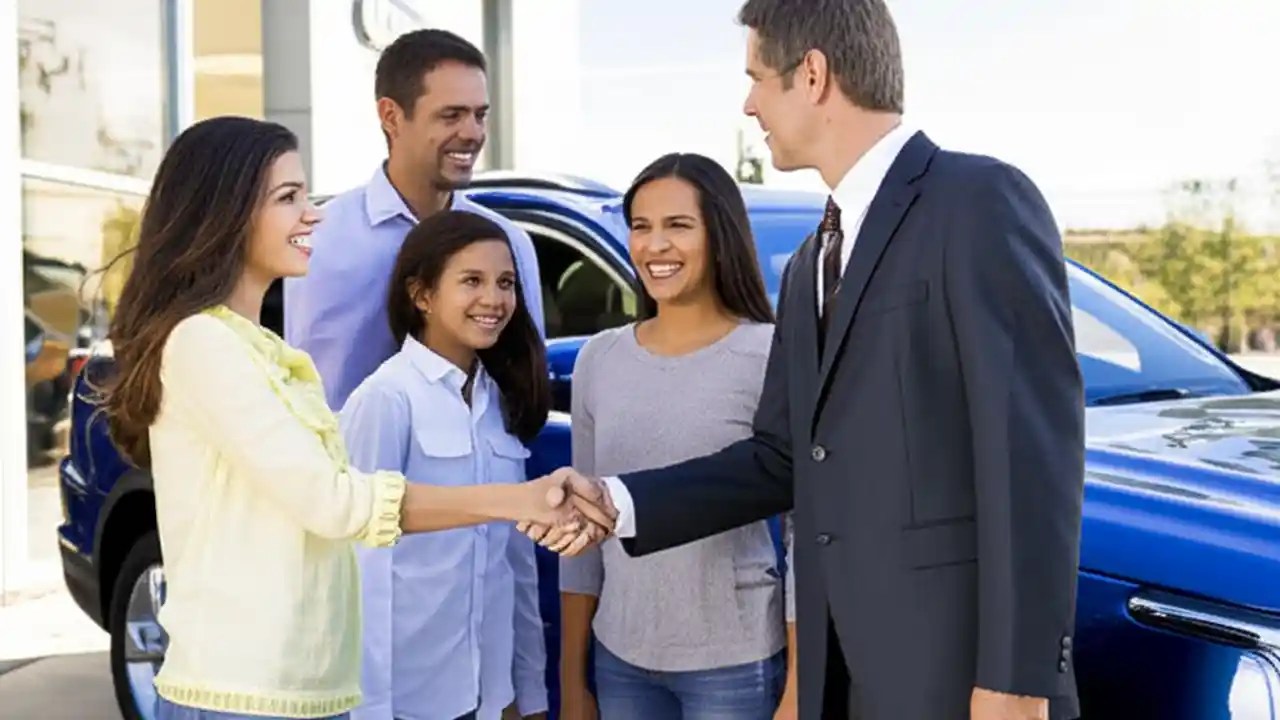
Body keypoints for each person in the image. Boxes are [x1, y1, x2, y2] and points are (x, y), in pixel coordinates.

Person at [533, 1, 1086, 718]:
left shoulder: (976, 201)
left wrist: (1017, 682)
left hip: (957, 681)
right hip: (844, 678)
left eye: (758, 78)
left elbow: (1031, 457)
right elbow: (784, 458)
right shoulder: (805, 266)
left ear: (814, 75)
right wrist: (620, 501)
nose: (749, 103)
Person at [98, 116, 599, 720]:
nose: (313, 215)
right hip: (245, 700)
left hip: (306, 695)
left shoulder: (264, 349)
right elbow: (337, 503)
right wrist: (516, 500)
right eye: (288, 198)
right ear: (224, 212)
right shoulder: (203, 343)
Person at [556, 153, 796, 720]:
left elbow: (804, 539)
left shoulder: (770, 356)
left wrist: (798, 692)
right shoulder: (601, 358)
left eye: (678, 226)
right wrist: (573, 679)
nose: (654, 246)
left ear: (720, 235)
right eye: (641, 226)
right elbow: (580, 534)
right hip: (620, 659)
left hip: (733, 666)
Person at [339, 211, 550, 720]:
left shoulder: (498, 402)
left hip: (489, 696)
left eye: (505, 283)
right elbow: (358, 570)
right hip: (408, 701)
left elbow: (515, 562)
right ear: (422, 295)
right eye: (471, 281)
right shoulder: (385, 399)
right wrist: (372, 711)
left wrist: (528, 691)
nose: (494, 300)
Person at [283, 28, 544, 412]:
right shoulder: (318, 238)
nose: (472, 133)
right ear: (391, 116)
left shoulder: (509, 244)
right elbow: (308, 399)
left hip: (484, 469)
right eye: (451, 115)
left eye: (480, 115)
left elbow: (524, 387)